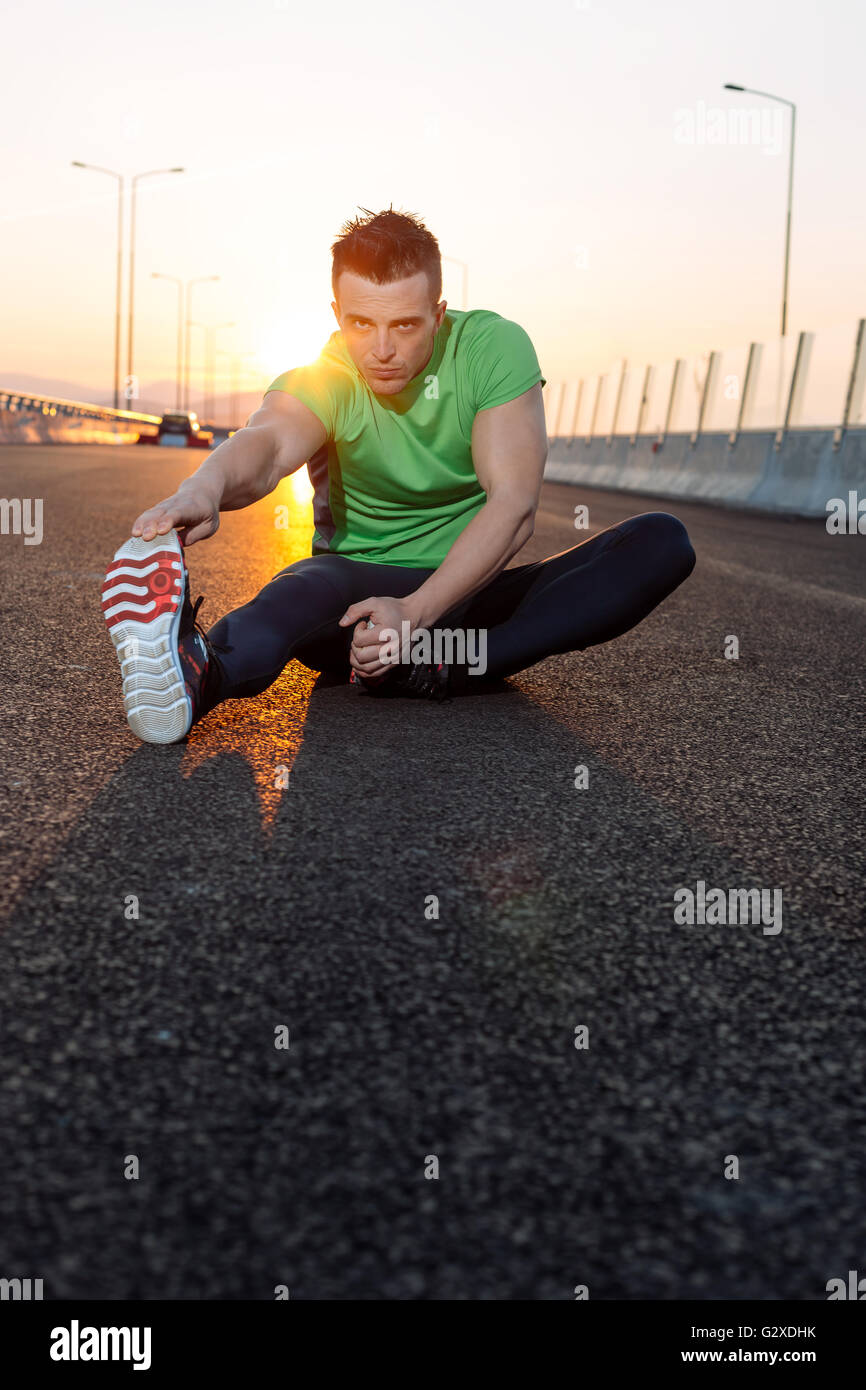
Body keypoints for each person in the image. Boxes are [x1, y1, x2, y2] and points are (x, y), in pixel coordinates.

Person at [101, 206, 696, 745]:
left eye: (406, 326)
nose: (382, 349)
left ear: (438, 314)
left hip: (463, 591)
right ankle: (198, 671)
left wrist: (415, 615)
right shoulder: (327, 374)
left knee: (660, 542)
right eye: (362, 324)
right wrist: (201, 488)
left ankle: (442, 663)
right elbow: (268, 443)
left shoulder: (493, 348)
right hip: (350, 604)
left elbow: (513, 507)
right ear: (337, 314)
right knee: (297, 589)